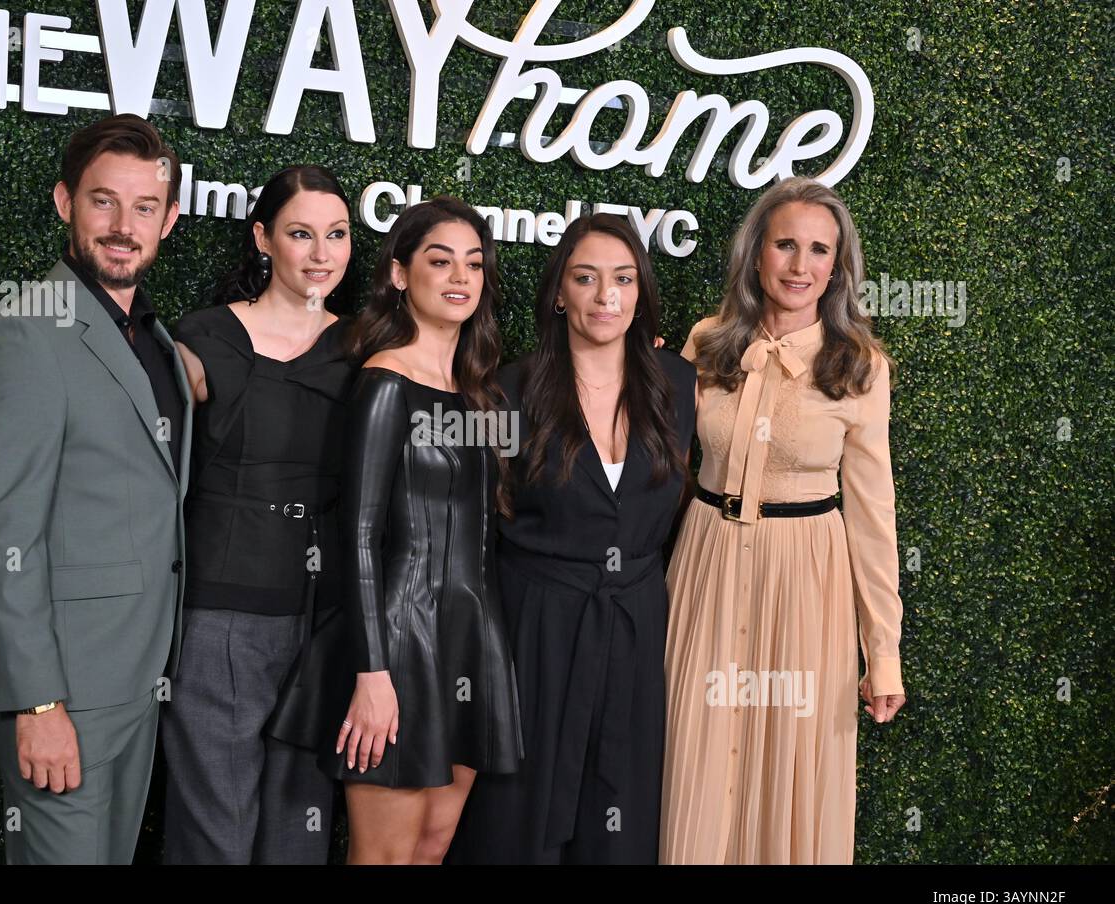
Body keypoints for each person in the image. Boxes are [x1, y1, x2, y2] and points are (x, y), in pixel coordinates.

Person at [0, 115, 190, 864]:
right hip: (66, 689)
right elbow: (4, 534)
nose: (124, 227)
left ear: (170, 218)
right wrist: (37, 701)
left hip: (139, 678)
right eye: (103, 202)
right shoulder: (24, 334)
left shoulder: (155, 340)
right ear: (64, 201)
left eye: (145, 207)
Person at [659, 176, 907, 865]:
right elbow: (664, 466)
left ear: (838, 266)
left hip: (807, 579)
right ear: (756, 253)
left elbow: (872, 513)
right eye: (786, 244)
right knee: (694, 752)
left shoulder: (859, 365)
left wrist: (882, 651)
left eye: (819, 250)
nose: (801, 266)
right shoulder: (706, 343)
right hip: (705, 564)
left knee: (793, 765)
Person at [449, 213, 696, 864]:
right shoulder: (507, 390)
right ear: (559, 292)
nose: (605, 296)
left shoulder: (678, 383)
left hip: (636, 626)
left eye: (622, 279)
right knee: (517, 818)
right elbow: (470, 533)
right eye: (585, 279)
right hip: (535, 628)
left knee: (619, 819)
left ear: (640, 292)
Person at [289, 195, 523, 864]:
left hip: (471, 636)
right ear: (399, 274)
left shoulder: (480, 390)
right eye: (440, 260)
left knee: (432, 846)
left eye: (473, 264)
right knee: (385, 856)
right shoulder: (383, 383)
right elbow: (356, 536)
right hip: (396, 642)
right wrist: (372, 671)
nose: (459, 278)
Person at [160, 166, 357, 864]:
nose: (320, 253)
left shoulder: (363, 350)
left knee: (299, 833)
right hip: (218, 615)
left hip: (321, 622)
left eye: (336, 235)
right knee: (215, 829)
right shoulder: (200, 338)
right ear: (263, 238)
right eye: (301, 233)